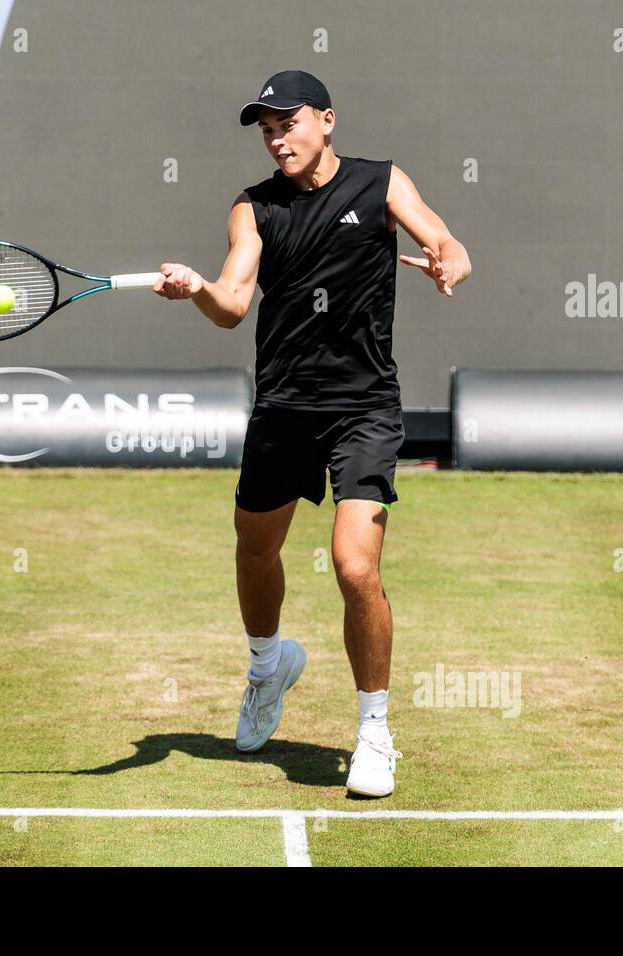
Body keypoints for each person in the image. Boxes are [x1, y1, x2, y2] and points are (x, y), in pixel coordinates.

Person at [151, 70, 471, 797]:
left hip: (363, 406)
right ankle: (269, 668)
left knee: (355, 566)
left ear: (326, 121)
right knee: (254, 551)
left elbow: (445, 239)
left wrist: (451, 259)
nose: (276, 136)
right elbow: (233, 302)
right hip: (285, 407)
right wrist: (198, 289)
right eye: (265, 127)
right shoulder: (253, 208)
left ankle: (374, 733)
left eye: (287, 122)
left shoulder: (381, 183)